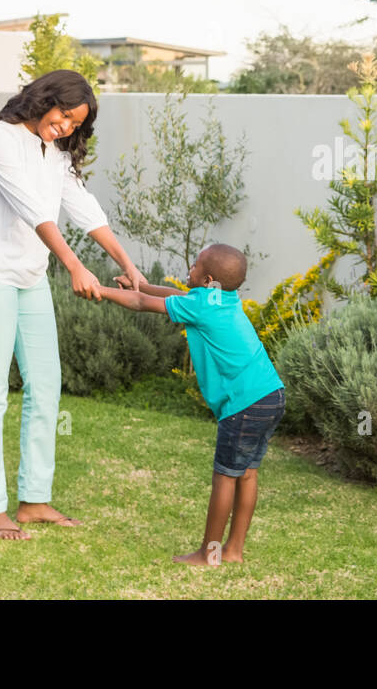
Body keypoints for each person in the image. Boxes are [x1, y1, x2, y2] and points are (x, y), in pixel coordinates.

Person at [0, 69, 148, 541]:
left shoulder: (54, 152)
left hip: (28, 277)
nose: (65, 129)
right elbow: (32, 210)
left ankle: (34, 500)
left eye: (74, 125)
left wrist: (128, 264)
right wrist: (76, 266)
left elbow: (81, 206)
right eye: (63, 116)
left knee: (46, 385)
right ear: (43, 100)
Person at [100, 243, 285, 567]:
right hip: (271, 394)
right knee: (247, 474)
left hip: (244, 403)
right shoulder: (220, 299)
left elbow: (143, 303)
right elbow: (172, 294)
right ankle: (234, 550)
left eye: (197, 265)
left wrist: (100, 291)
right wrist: (140, 282)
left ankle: (208, 554)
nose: (191, 267)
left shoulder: (203, 305)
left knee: (225, 477)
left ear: (208, 279)